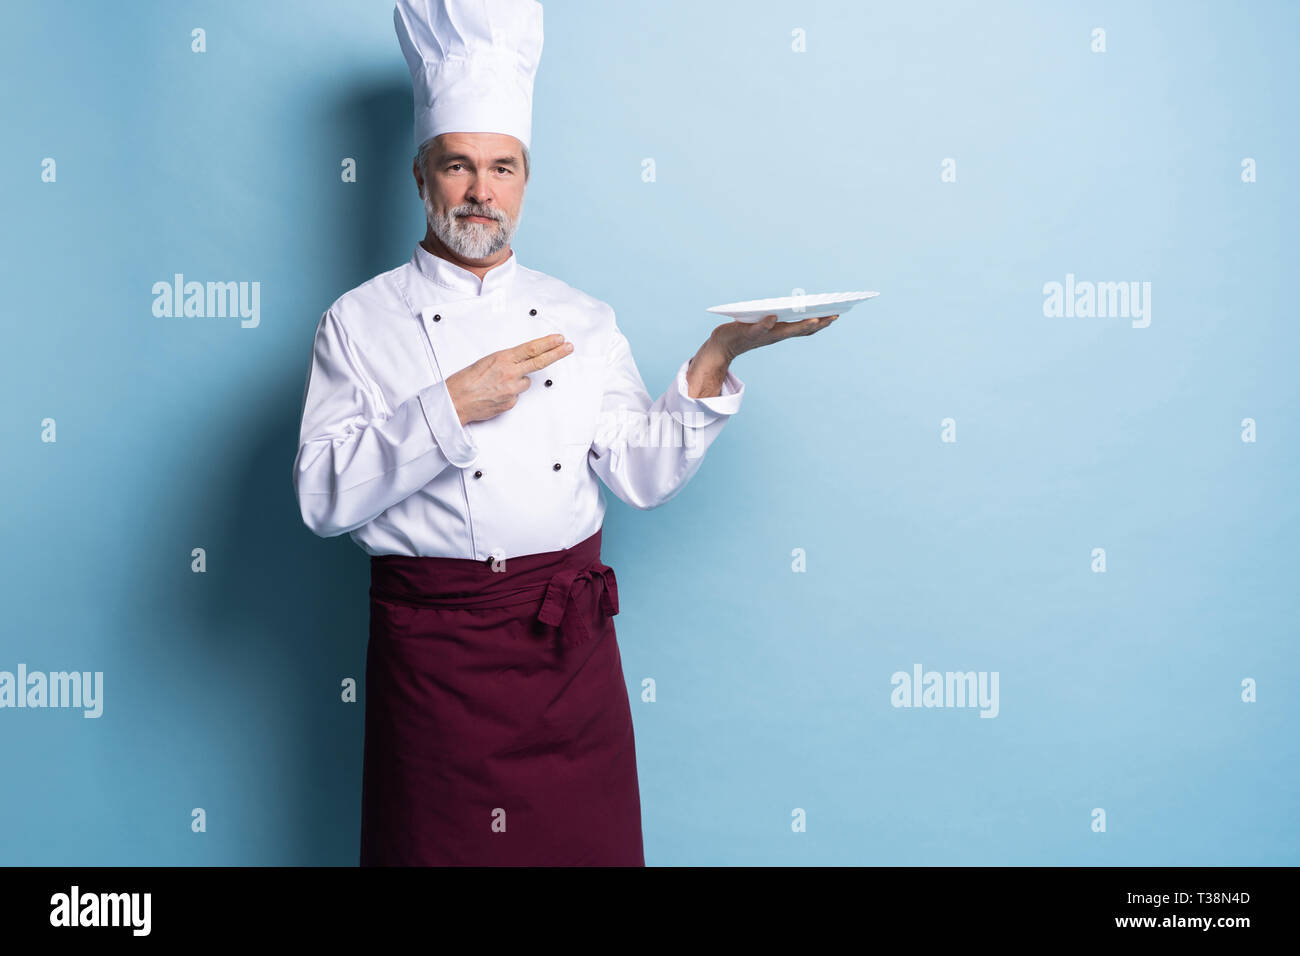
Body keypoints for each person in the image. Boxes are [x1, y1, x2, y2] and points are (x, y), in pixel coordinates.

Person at [292, 0, 837, 866]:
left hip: (566, 659)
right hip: (433, 661)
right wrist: (450, 404)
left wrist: (716, 357)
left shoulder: (582, 317)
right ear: (420, 175)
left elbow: (641, 477)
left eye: (502, 168)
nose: (481, 192)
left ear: (525, 179)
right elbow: (322, 500)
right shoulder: (357, 323)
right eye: (458, 166)